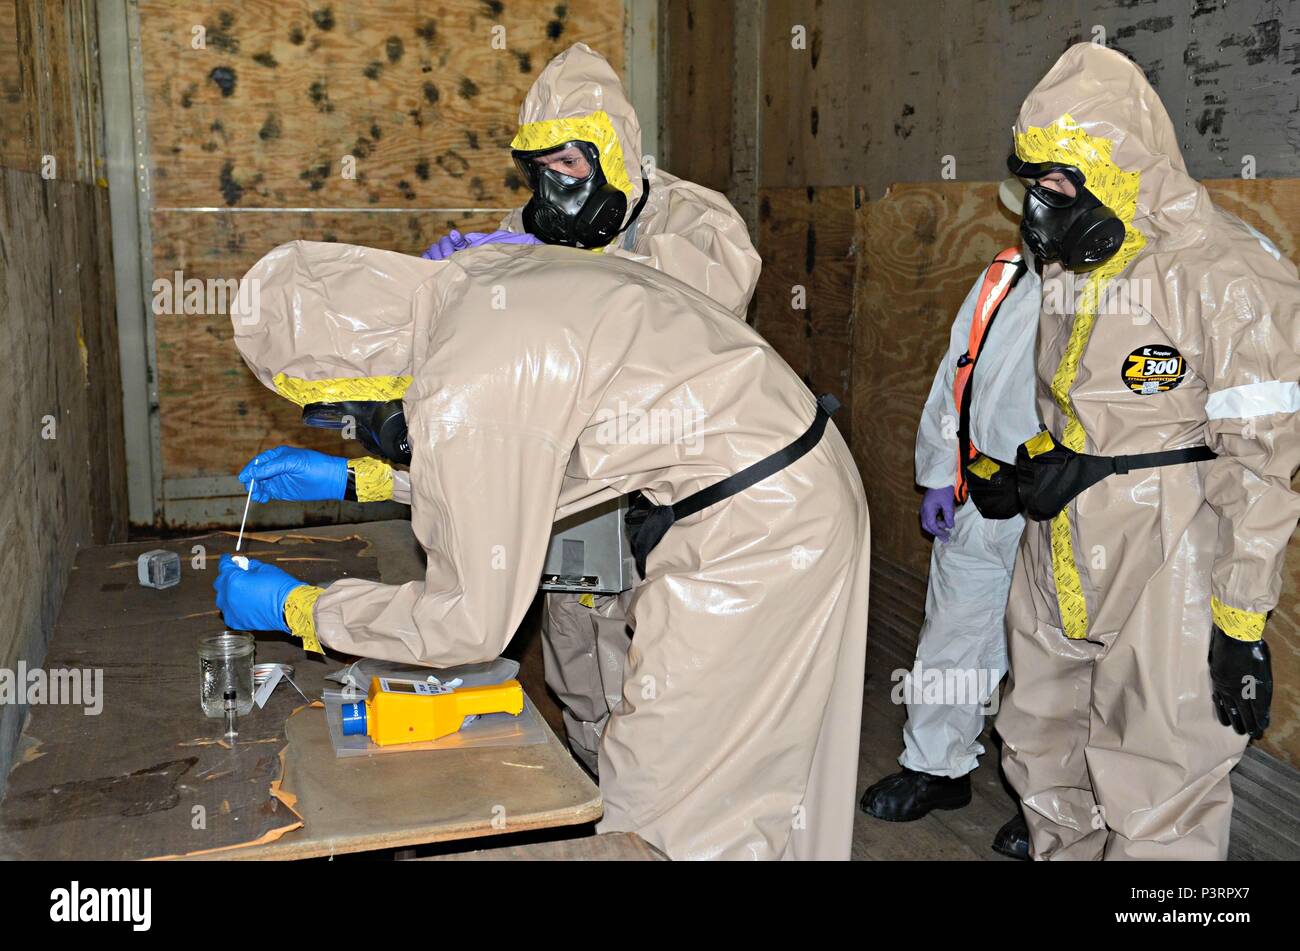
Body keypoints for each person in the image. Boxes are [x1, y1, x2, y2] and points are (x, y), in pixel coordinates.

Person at [215, 239, 869, 860]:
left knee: (666, 810)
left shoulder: (461, 389)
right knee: (768, 771)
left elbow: (468, 621)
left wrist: (303, 608)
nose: (353, 429)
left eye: (342, 411)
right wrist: (363, 478)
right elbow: (520, 458)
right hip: (791, 477)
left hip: (761, 530)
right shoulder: (470, 286)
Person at [995, 43, 1300, 860]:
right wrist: (1032, 461)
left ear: (1117, 163)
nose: (1040, 203)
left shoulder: (1225, 273)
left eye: (1059, 181)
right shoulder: (1076, 263)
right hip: (1059, 534)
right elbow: (1083, 404)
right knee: (1038, 735)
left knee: (1161, 772)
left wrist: (1239, 619)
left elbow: (1262, 464)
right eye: (1035, 181)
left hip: (1171, 549)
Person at [423, 42, 762, 772]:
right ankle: (592, 809)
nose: (555, 190)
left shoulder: (695, 223)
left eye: (571, 167)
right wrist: (467, 287)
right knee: (578, 669)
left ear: (613, 154)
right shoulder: (550, 234)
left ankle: (649, 821)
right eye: (539, 173)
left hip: (672, 501)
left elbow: (690, 309)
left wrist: (535, 263)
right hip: (579, 491)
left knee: (660, 689)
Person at [859, 196, 1042, 838]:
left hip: (1067, 503)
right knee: (954, 633)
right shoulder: (1006, 274)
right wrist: (940, 470)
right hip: (983, 492)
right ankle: (936, 768)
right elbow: (954, 375)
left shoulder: (1126, 286)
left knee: (1054, 658)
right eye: (1036, 196)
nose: (1042, 213)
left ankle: (1052, 805)